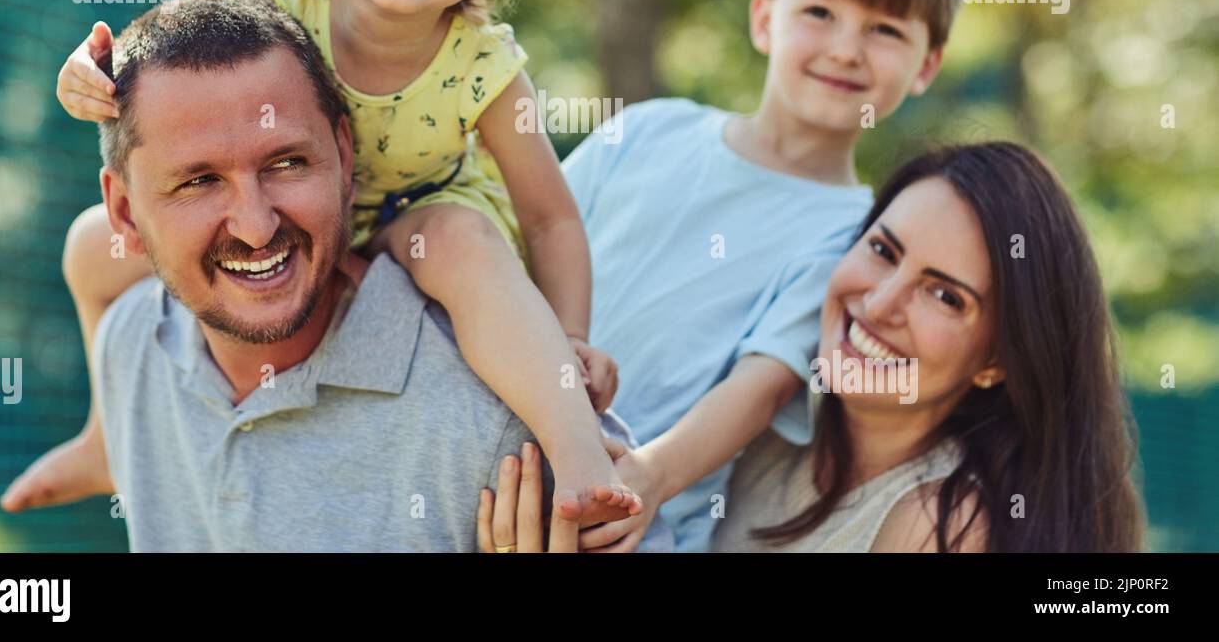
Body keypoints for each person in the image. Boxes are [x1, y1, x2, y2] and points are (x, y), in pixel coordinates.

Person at [3, 0, 638, 527]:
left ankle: (581, 458)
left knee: (462, 242)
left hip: (415, 211)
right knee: (86, 249)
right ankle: (107, 434)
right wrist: (95, 72)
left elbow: (550, 219)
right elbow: (200, 68)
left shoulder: (486, 68)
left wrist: (572, 338)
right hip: (287, 206)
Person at [30, 0, 660, 551]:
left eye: (285, 164)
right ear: (124, 211)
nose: (255, 225)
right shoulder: (129, 346)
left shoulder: (511, 421)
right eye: (199, 181)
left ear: (345, 154)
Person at [479, 143, 1146, 553]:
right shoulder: (765, 433)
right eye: (883, 251)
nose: (880, 304)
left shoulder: (944, 523)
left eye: (945, 296)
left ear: (1000, 359)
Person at [561, 0, 962, 551]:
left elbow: (764, 383)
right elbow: (539, 239)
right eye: (819, 12)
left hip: (630, 521)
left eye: (885, 29)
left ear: (927, 66)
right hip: (501, 445)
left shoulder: (857, 241)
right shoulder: (650, 130)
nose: (845, 49)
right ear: (763, 17)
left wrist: (648, 478)